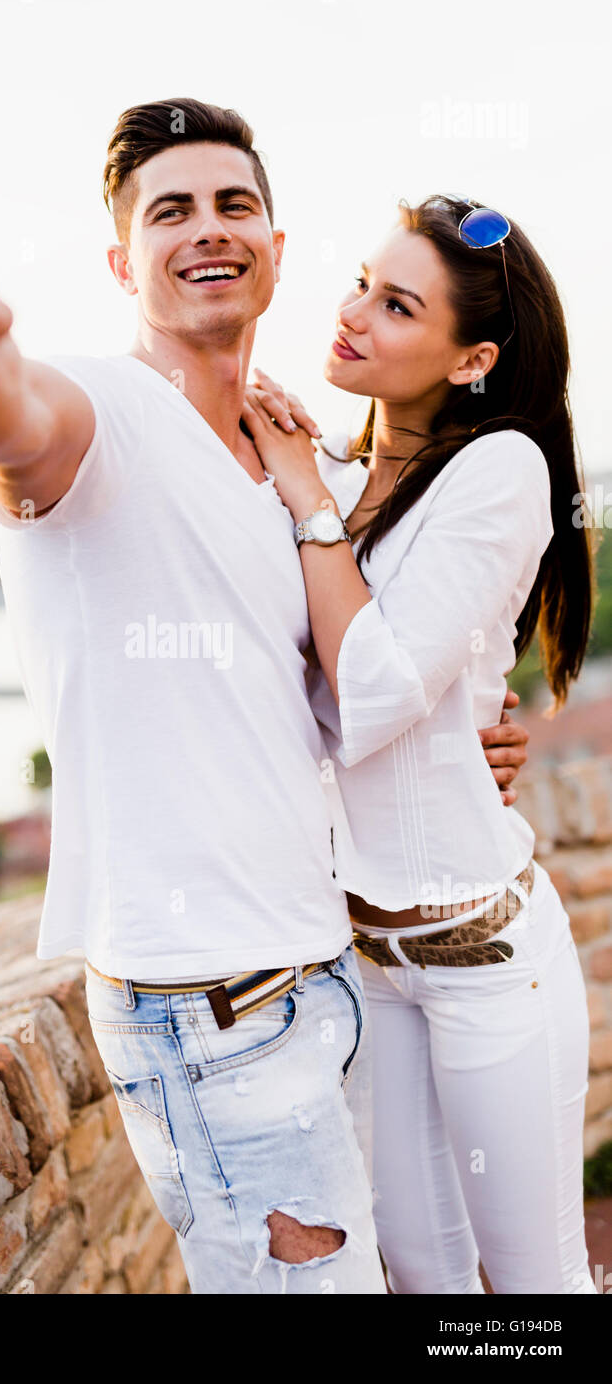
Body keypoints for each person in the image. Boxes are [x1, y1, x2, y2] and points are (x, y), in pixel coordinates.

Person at [0, 104, 525, 1294]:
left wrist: (464, 740)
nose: (206, 229)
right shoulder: (102, 414)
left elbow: (312, 704)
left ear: (273, 241)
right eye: (169, 211)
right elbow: (12, 423)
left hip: (319, 985)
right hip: (212, 1025)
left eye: (231, 205)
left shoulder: (277, 463)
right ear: (123, 262)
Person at [242, 193, 597, 1294]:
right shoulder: (335, 487)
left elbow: (375, 698)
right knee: (423, 1278)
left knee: (529, 1286)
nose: (352, 312)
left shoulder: (493, 472)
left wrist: (301, 494)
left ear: (471, 357)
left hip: (485, 958)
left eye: (396, 305)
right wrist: (306, 489)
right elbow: (297, 705)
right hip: (370, 963)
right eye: (360, 281)